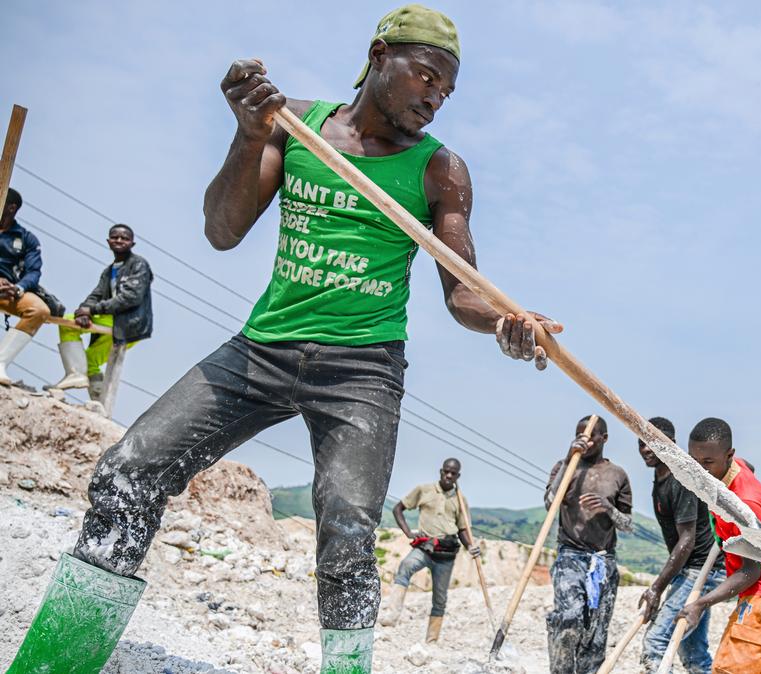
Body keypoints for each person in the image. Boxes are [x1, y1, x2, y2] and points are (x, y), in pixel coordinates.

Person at [6, 6, 563, 673]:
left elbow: (463, 291)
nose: (435, 98)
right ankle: (60, 659)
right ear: (380, 55)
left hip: (363, 370)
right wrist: (249, 133)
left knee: (348, 530)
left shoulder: (440, 170)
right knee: (129, 469)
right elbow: (222, 229)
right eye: (426, 76)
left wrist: (506, 320)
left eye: (446, 90)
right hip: (263, 349)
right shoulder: (293, 125)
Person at [679, 417, 761, 674]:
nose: (700, 471)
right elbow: (749, 466)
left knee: (731, 669)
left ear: (729, 456)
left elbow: (751, 571)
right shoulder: (729, 470)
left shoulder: (746, 503)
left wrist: (701, 604)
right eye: (694, 461)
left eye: (708, 463)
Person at [544, 415, 633, 674]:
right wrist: (568, 459)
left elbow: (627, 524)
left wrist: (608, 509)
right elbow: (550, 503)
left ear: (604, 438)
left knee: (596, 630)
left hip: (603, 560)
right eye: (580, 434)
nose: (586, 440)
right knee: (568, 617)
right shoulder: (565, 466)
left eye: (592, 435)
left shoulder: (617, 475)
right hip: (570, 554)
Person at [637, 416, 725, 674]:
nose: (645, 449)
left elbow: (687, 541)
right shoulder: (662, 479)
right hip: (692, 569)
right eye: (641, 443)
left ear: (671, 444)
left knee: (656, 643)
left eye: (652, 443)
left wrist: (656, 588)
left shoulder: (680, 479)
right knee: (692, 651)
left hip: (701, 570)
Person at [48, 224, 153, 400]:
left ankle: (76, 374)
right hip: (110, 319)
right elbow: (96, 294)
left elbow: (130, 298)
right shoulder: (109, 270)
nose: (119, 240)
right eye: (115, 237)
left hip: (130, 322)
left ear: (132, 243)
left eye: (124, 238)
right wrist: (83, 312)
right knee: (88, 358)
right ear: (108, 241)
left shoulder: (138, 265)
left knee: (68, 323)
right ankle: (97, 400)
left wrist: (92, 310)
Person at [389, 457, 479, 643]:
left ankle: (431, 641)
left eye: (453, 473)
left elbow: (462, 529)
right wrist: (408, 532)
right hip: (424, 548)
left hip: (446, 555)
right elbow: (398, 509)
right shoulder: (424, 490)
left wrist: (470, 546)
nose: (448, 475)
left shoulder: (461, 500)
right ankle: (392, 615)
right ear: (440, 471)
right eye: (446, 471)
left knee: (440, 599)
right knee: (406, 566)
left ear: (457, 476)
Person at [0, 188, 51, 386]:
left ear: (11, 207)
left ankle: (1, 363)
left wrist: (18, 288)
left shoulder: (26, 239)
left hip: (8, 290)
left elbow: (34, 272)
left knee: (39, 310)